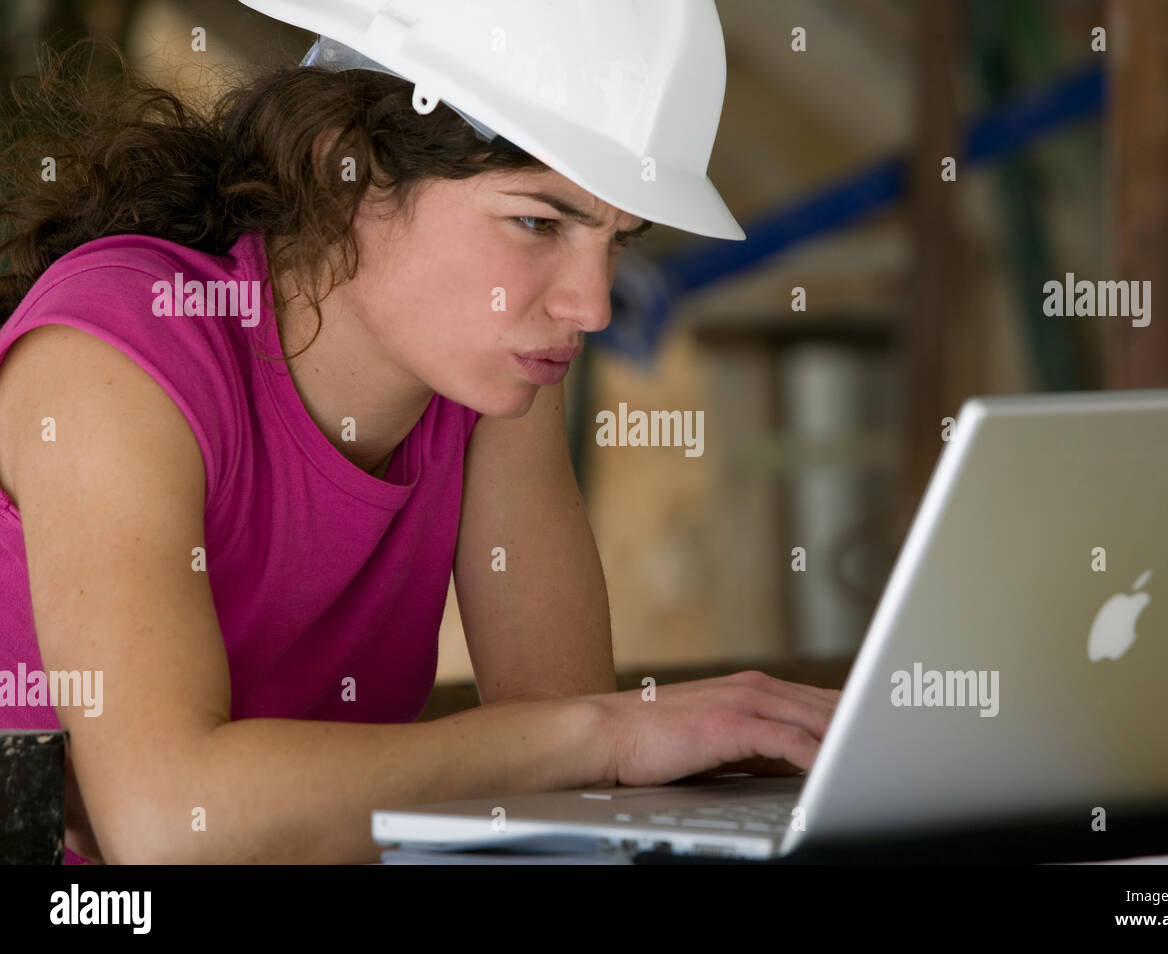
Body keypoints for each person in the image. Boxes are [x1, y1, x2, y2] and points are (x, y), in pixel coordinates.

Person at [0, 12, 839, 864]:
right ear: (342, 170)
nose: (590, 306)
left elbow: (563, 764)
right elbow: (168, 826)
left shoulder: (490, 376)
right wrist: (611, 735)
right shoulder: (115, 352)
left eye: (617, 241)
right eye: (538, 223)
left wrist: (719, 743)